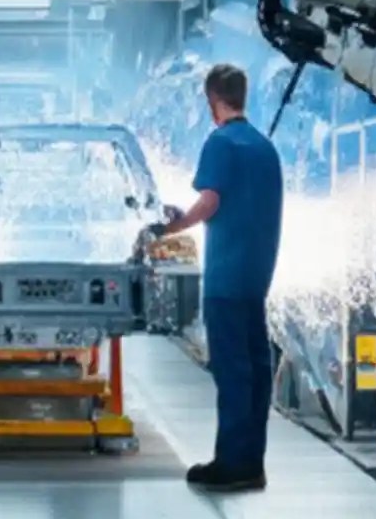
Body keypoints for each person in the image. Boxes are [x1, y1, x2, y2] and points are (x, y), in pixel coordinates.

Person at [149, 63, 283, 492]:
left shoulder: (221, 142)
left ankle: (231, 463)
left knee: (231, 371)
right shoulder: (265, 147)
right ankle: (252, 461)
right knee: (256, 369)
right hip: (258, 273)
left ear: (212, 101)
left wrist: (173, 225)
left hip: (226, 276)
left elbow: (210, 201)